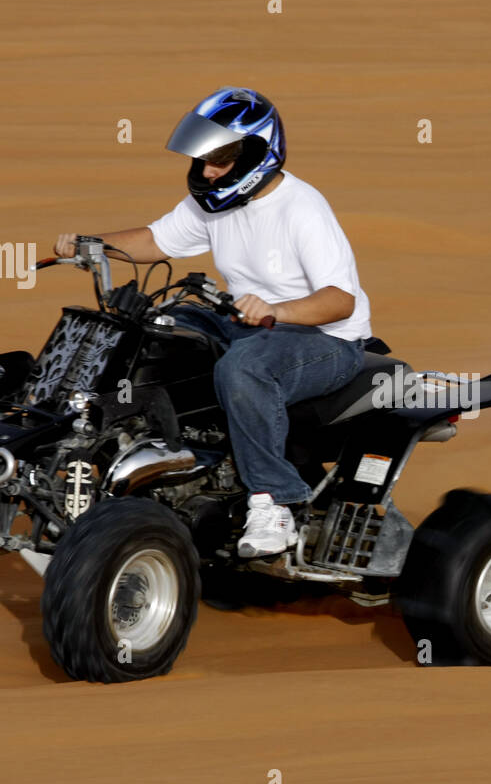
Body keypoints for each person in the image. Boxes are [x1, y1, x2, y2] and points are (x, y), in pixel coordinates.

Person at [54, 87, 372, 557]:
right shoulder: (214, 204)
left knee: (244, 368)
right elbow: (156, 241)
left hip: (323, 338)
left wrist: (278, 311)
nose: (206, 171)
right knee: (157, 330)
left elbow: (340, 301)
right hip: (245, 323)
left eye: (219, 160)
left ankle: (275, 503)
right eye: (203, 159)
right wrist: (92, 244)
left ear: (257, 153)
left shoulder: (302, 208)